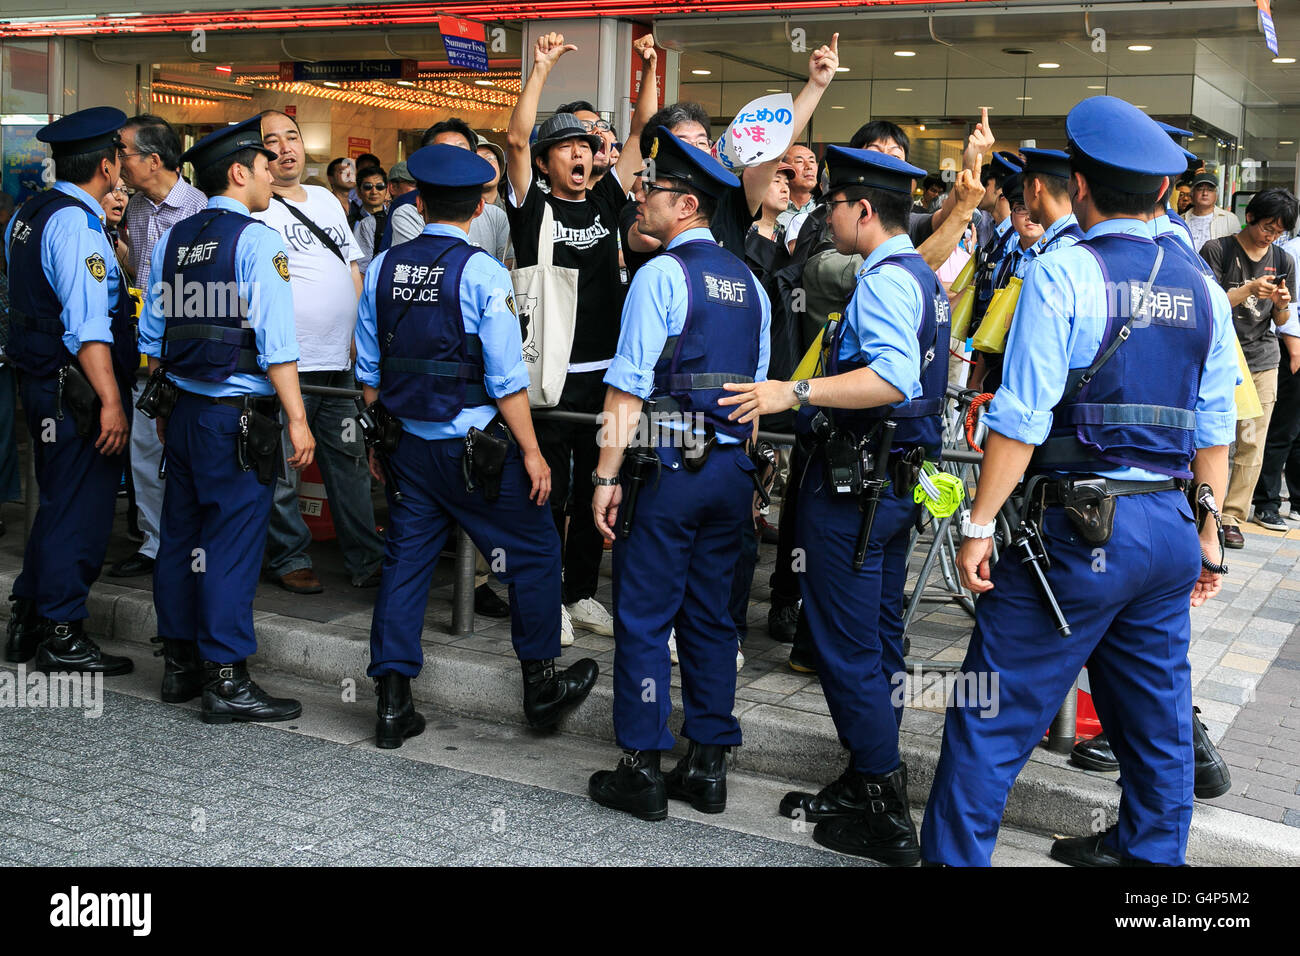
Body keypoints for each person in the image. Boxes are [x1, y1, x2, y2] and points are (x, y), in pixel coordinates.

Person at [919, 96, 1238, 867]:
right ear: (1164, 192)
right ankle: (1149, 858)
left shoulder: (1065, 271)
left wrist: (979, 524)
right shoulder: (1200, 284)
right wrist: (1209, 532)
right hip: (1165, 528)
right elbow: (1216, 425)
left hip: (1080, 530)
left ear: (1082, 187)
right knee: (1156, 718)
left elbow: (1022, 419)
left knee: (990, 714)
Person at [719, 146, 950, 864]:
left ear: (861, 211)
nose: (828, 220)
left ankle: (884, 809)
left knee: (846, 652)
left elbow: (888, 377)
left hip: (856, 491)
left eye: (834, 209)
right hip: (895, 488)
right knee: (876, 644)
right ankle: (864, 778)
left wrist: (796, 391)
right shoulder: (924, 276)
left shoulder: (884, 282)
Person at [354, 143, 598, 747]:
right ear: (481, 203)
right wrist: (534, 452)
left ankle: (391, 703)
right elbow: (507, 377)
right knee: (536, 552)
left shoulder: (384, 266)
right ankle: (540, 687)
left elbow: (366, 374)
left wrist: (378, 443)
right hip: (479, 454)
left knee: (406, 565)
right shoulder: (484, 271)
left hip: (408, 447)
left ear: (419, 198)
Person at [588, 127, 770, 820]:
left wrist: (606, 478)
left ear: (686, 204)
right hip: (729, 473)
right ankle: (709, 764)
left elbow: (626, 391)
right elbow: (752, 398)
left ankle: (641, 765)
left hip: (665, 471)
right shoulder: (749, 284)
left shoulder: (661, 274)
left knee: (642, 615)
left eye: (650, 191)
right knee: (713, 619)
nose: (638, 197)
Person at [139, 116, 315, 722]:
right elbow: (277, 344)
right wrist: (298, 420)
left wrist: (171, 401)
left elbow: (153, 337)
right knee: (232, 546)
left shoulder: (173, 240)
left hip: (184, 413)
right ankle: (227, 678)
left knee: (181, 541)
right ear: (240, 173)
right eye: (265, 165)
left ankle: (179, 667)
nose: (272, 173)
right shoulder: (259, 240)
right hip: (238, 419)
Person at [504, 31, 659, 644]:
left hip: (605, 372)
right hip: (548, 372)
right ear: (545, 162)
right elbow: (516, 137)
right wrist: (540, 68)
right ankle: (545, 597)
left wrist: (646, 67)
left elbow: (643, 132)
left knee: (602, 480)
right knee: (549, 490)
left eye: (586, 146)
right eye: (566, 147)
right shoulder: (529, 207)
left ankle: (583, 593)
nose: (580, 154)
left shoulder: (605, 201)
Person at [3, 107, 137, 673]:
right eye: (119, 162)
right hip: (77, 392)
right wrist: (110, 401)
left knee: (57, 503)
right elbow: (87, 327)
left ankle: (31, 617)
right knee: (80, 510)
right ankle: (63, 632)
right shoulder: (78, 227)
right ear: (106, 166)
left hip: (40, 383)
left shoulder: (27, 213)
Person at [255, 109, 383, 594]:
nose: (286, 148)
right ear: (258, 154)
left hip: (338, 364)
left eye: (292, 137)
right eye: (273, 141)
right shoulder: (254, 206)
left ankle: (366, 559)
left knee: (348, 463)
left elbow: (352, 268)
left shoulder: (329, 201)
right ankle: (288, 557)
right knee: (285, 467)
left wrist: (357, 337)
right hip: (289, 365)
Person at [112, 113, 207, 580]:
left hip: (187, 349)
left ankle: (194, 546)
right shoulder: (136, 207)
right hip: (145, 346)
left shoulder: (200, 208)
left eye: (123, 152)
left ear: (153, 159)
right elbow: (141, 269)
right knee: (146, 449)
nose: (117, 162)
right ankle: (153, 543)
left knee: (188, 452)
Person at [1200, 188, 1300, 544]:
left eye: (1279, 231)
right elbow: (1207, 306)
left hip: (1262, 359)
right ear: (1250, 217)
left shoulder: (1283, 260)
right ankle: (1202, 511)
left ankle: (1232, 518)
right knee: (1212, 441)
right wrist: (1248, 289)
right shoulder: (1218, 250)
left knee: (1251, 444)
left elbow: (1283, 316)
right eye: (1267, 227)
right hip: (1221, 357)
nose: (1271, 236)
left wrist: (1283, 303)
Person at [1185, 171, 1240, 251]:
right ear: (1192, 194)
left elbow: (1237, 250)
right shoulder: (1181, 220)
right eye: (1200, 189)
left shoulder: (1230, 219)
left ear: (1216, 195)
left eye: (1210, 190)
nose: (1205, 193)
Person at [351, 165, 389, 273]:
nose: (374, 191)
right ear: (358, 191)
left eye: (380, 186)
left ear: (386, 190)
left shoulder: (395, 220)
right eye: (368, 186)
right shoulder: (348, 223)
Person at [777, 143, 819, 229]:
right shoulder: (773, 210)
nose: (809, 167)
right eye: (799, 161)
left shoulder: (824, 209)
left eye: (812, 161)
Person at [99, 179, 130, 274]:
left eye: (124, 191)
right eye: (112, 190)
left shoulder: (122, 234)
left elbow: (134, 269)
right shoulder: (87, 231)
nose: (120, 197)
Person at [326, 157, 358, 222]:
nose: (349, 176)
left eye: (352, 173)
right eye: (344, 173)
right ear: (330, 179)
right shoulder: (326, 204)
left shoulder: (354, 205)